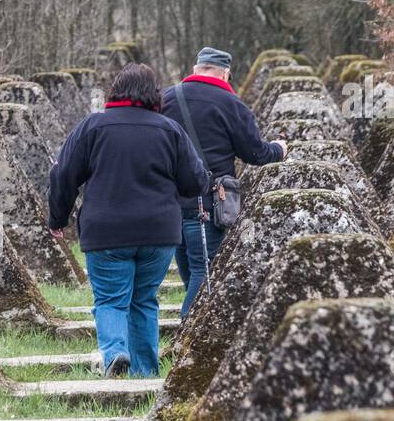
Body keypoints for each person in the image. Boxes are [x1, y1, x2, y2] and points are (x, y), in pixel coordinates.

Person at [48, 63, 209, 378]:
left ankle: (115, 353)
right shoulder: (169, 129)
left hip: (106, 231)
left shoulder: (93, 127)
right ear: (154, 94)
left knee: (110, 299)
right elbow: (195, 180)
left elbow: (63, 173)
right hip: (158, 233)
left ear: (115, 91)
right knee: (144, 300)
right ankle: (146, 371)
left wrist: (58, 217)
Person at [160, 47, 287, 319]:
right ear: (226, 74)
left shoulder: (166, 98)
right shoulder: (230, 104)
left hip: (167, 202)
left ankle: (190, 324)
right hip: (207, 203)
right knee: (205, 271)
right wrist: (279, 149)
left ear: (195, 70)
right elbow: (256, 154)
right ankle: (188, 329)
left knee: (190, 270)